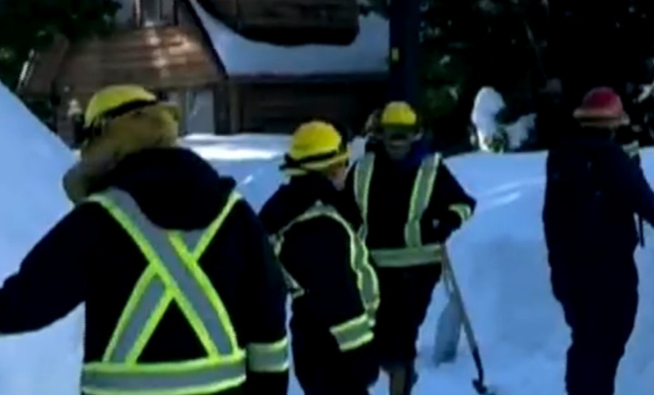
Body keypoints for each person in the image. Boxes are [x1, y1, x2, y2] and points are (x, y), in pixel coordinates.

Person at [0, 84, 290, 395]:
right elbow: (268, 315)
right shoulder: (236, 214)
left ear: (104, 141)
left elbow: (29, 301)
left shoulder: (99, 219)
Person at [543, 87, 654, 395]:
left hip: (568, 271)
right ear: (614, 124)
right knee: (606, 347)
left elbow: (550, 219)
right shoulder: (612, 160)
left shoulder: (559, 159)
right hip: (608, 273)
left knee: (584, 342)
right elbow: (651, 209)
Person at [349, 101, 477, 395]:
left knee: (402, 338)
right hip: (373, 268)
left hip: (418, 269)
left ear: (415, 135)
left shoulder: (432, 168)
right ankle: (401, 374)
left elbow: (464, 204)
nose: (397, 142)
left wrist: (445, 223)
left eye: (403, 134)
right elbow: (346, 209)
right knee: (377, 339)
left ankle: (401, 382)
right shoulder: (364, 168)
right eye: (392, 134)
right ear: (380, 135)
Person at [259, 121, 380, 395]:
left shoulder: (296, 208)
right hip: (333, 352)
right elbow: (338, 300)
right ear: (332, 168)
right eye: (344, 164)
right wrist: (361, 355)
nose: (346, 172)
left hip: (316, 341)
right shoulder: (317, 226)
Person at [543, 0, 644, 150]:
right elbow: (554, 41)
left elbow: (629, 39)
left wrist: (634, 73)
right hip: (578, 78)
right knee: (580, 132)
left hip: (613, 76)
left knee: (618, 130)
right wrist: (554, 76)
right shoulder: (564, 2)